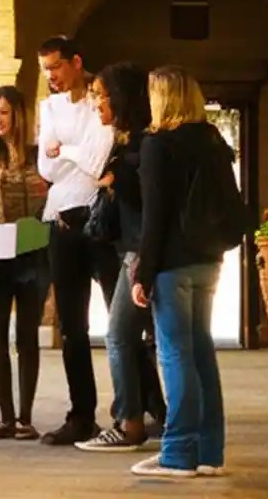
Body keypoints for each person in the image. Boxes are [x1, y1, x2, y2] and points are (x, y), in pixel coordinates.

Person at [130, 65, 228, 478]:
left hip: (171, 263)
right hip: (208, 260)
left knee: (174, 353)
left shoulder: (158, 145)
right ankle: (210, 451)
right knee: (201, 351)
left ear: (163, 98)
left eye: (152, 93)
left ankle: (177, 453)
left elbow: (155, 217)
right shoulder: (212, 140)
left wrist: (142, 273)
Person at [76, 62, 167, 452]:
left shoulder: (143, 145)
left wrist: (116, 180)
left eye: (101, 95)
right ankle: (143, 418)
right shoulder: (126, 141)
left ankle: (129, 423)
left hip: (140, 253)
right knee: (143, 339)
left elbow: (152, 206)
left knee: (119, 336)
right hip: (132, 250)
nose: (96, 103)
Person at [34, 36, 118, 445]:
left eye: (55, 67)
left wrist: (64, 149)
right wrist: (73, 155)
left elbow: (98, 159)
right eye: (45, 69)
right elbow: (45, 168)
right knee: (73, 327)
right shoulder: (48, 107)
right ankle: (81, 416)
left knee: (121, 322)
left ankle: (139, 409)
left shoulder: (100, 101)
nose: (50, 76)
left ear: (76, 62)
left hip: (101, 224)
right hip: (61, 222)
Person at [0, 86, 50, 441]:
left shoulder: (38, 157)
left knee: (27, 335)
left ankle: (25, 417)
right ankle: (4, 417)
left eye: (3, 113)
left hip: (32, 251)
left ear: (17, 115)